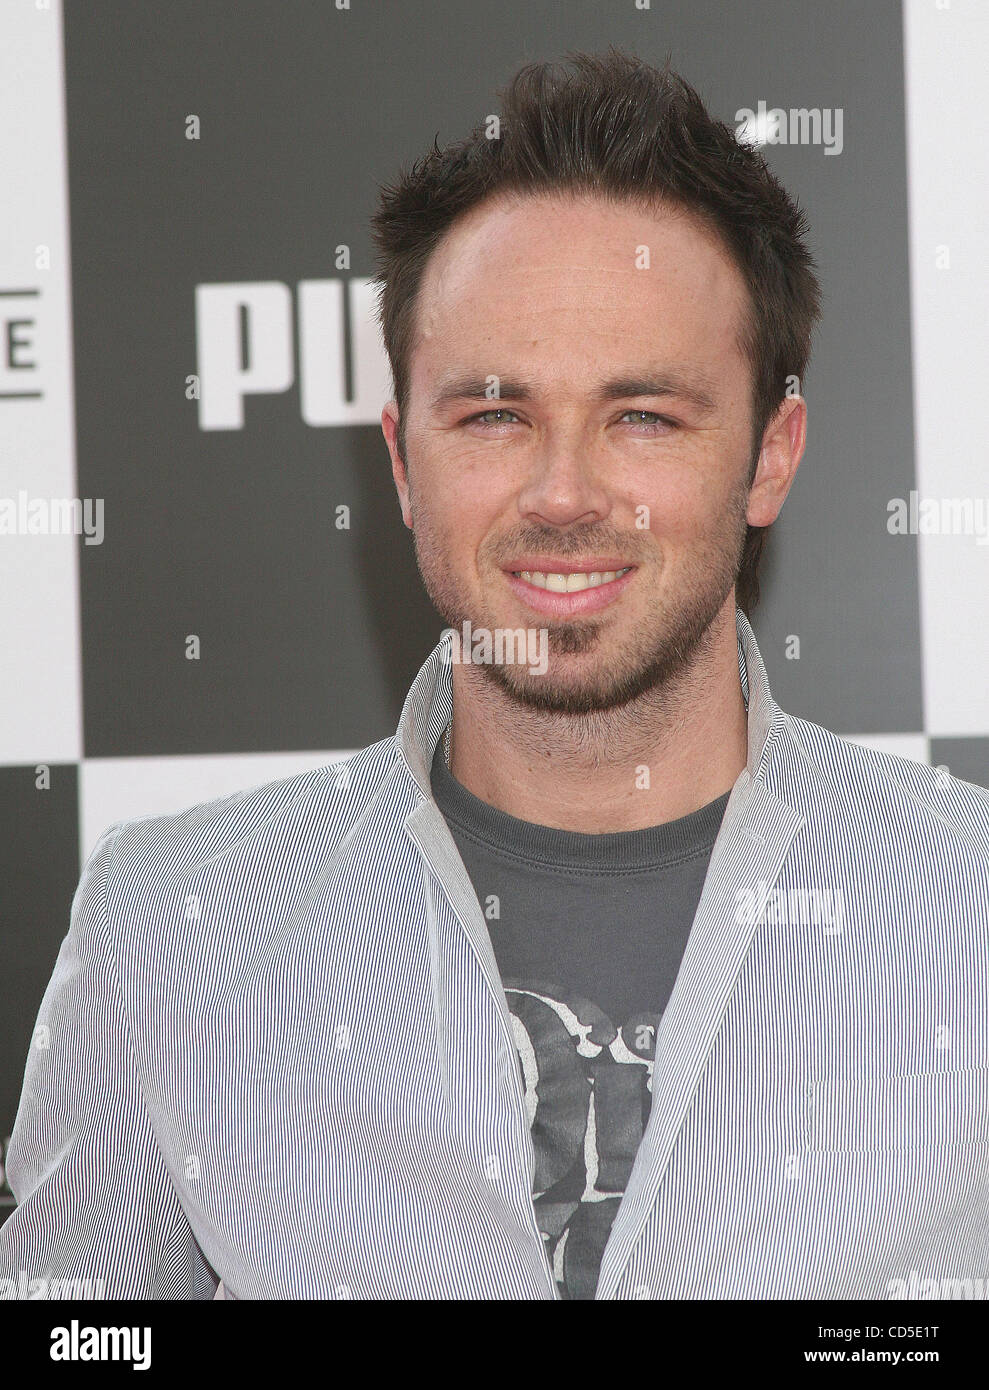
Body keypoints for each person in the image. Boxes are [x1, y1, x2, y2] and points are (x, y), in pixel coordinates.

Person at [2, 48, 987, 1302]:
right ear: (401, 464)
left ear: (767, 455)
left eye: (642, 415)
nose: (563, 492)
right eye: (491, 415)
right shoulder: (169, 929)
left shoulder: (971, 912)